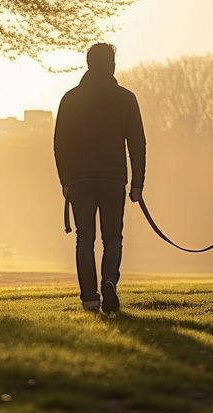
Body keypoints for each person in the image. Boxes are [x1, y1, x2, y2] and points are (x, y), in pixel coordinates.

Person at [54, 43, 146, 313]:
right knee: (113, 238)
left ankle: (90, 299)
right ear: (112, 65)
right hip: (113, 178)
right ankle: (109, 281)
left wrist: (65, 181)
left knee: (85, 239)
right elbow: (137, 143)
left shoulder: (71, 99)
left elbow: (60, 144)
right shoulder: (126, 98)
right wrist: (138, 183)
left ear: (88, 64)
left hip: (79, 179)